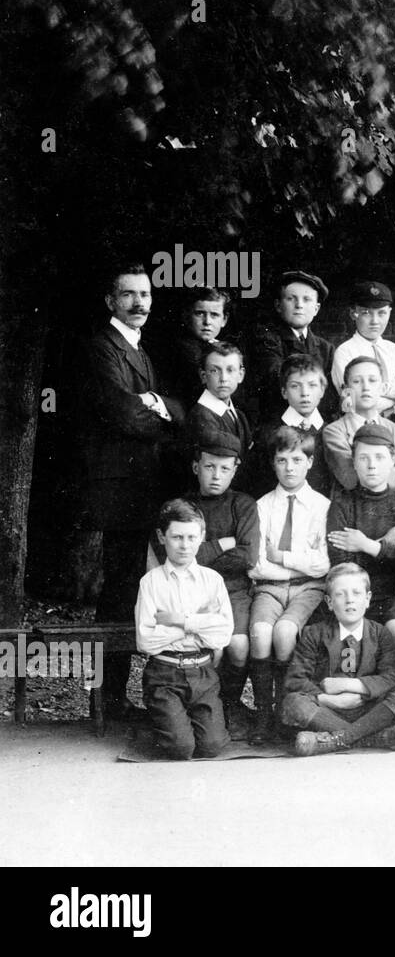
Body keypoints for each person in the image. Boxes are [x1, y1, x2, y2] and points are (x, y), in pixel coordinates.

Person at [85, 263, 186, 721]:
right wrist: (162, 420)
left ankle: (120, 699)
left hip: (144, 484)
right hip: (119, 488)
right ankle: (104, 702)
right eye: (128, 295)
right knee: (119, 591)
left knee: (139, 588)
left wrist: (160, 407)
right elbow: (123, 414)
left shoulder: (140, 350)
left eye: (145, 295)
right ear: (111, 301)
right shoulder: (101, 347)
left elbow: (164, 406)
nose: (139, 303)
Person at [162, 431, 259, 737]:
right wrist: (222, 545)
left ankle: (226, 702)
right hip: (190, 592)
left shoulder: (242, 505)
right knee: (200, 646)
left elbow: (248, 555)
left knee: (239, 645)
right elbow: (177, 557)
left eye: (224, 468)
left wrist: (201, 554)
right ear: (196, 467)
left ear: (235, 469)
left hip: (233, 591)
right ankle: (201, 704)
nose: (216, 475)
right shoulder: (180, 506)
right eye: (209, 467)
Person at [280, 562, 395, 756]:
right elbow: (295, 680)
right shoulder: (314, 633)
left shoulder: (380, 634)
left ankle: (335, 740)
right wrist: (331, 700)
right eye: (340, 594)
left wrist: (349, 685)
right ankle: (374, 737)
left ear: (368, 599)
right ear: (329, 602)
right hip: (326, 710)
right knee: (293, 703)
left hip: (369, 707)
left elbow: (391, 677)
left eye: (356, 593)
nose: (349, 600)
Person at [246, 426, 331, 743]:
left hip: (309, 588)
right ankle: (263, 713)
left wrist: (281, 556)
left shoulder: (321, 506)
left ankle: (285, 712)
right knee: (261, 632)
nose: (290, 467)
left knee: (284, 632)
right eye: (282, 460)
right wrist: (297, 563)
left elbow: (323, 563)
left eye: (297, 459)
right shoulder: (262, 506)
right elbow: (256, 566)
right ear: (273, 463)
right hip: (268, 587)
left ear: (309, 462)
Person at [134, 498, 234, 759]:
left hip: (202, 673)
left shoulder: (212, 581)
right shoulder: (151, 583)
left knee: (212, 746)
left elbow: (223, 634)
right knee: (181, 748)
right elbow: (146, 640)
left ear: (202, 536)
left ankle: (179, 721)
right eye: (177, 537)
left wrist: (178, 620)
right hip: (164, 674)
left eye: (191, 537)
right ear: (162, 536)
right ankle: (167, 722)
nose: (184, 545)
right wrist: (199, 625)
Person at [325, 422, 395, 654]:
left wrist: (366, 544)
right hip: (352, 594)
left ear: (392, 461)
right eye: (363, 458)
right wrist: (386, 543)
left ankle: (389, 686)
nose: (371, 466)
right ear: (354, 463)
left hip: (390, 593)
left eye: (379, 457)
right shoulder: (342, 504)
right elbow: (341, 563)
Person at [247, 270, 337, 421]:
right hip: (279, 422)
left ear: (316, 309)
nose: (299, 305)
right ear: (278, 305)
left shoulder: (325, 348)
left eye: (307, 299)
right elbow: (276, 382)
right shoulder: (267, 341)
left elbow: (329, 396)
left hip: (317, 423)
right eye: (291, 299)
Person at [330, 280, 395, 419]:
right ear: (353, 313)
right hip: (358, 429)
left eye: (382, 313)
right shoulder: (345, 352)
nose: (375, 321)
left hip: (394, 426)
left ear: (389, 313)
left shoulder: (393, 350)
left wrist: (374, 391)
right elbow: (354, 402)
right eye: (366, 313)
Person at [322, 357, 395, 494]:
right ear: (346, 389)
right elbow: (351, 479)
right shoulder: (334, 432)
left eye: (372, 380)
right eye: (357, 381)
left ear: (382, 387)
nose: (366, 387)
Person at [251, 354, 333, 498]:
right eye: (295, 386)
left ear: (322, 390)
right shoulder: (268, 433)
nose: (305, 393)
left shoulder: (331, 432)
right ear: (284, 392)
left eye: (312, 385)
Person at [184, 341, 255, 486]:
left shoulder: (238, 415)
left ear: (240, 375)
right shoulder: (201, 416)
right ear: (203, 376)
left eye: (230, 370)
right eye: (215, 371)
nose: (223, 378)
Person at [153, 286, 234, 403]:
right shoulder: (183, 350)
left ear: (224, 320)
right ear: (186, 316)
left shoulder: (219, 347)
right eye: (200, 314)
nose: (207, 322)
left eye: (214, 315)